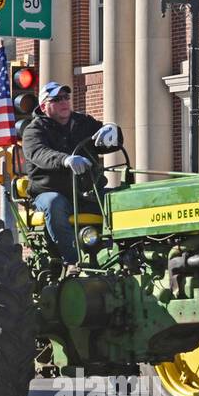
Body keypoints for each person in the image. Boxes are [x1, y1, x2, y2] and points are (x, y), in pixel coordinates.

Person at [22, 81, 124, 273]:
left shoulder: (84, 123)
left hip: (87, 192)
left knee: (121, 200)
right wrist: (66, 160)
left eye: (66, 98)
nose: (64, 102)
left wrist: (113, 133)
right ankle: (73, 262)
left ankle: (122, 256)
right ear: (44, 106)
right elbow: (39, 154)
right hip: (50, 191)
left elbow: (109, 142)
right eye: (57, 99)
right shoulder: (33, 131)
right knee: (55, 204)